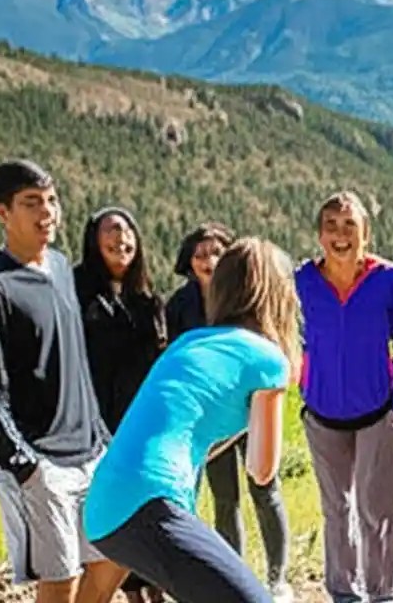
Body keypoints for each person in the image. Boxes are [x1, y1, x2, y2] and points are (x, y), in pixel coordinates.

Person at [84, 237, 301, 603]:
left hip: (104, 505)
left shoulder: (189, 342)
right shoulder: (268, 360)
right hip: (152, 503)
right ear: (278, 298)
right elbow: (261, 470)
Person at [0, 159, 123, 603]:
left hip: (90, 452)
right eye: (32, 202)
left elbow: (75, 363)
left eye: (51, 200)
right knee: (62, 579)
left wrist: (102, 437)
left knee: (115, 558)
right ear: (2, 213)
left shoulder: (61, 267)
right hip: (42, 462)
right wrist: (23, 463)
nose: (47, 212)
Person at [297, 191, 393, 603]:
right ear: (319, 234)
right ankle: (343, 593)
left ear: (366, 232)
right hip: (321, 413)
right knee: (336, 511)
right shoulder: (303, 281)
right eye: (331, 226)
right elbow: (287, 335)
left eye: (350, 226)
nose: (340, 235)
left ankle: (384, 593)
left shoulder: (389, 279)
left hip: (378, 412)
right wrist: (301, 384)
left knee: (377, 509)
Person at [165, 223, 293, 601]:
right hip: (212, 416)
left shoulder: (248, 300)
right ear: (188, 262)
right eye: (200, 253)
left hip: (255, 407)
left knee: (265, 488)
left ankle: (277, 576)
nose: (208, 259)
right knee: (225, 499)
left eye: (216, 251)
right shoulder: (178, 306)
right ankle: (233, 576)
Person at [73, 207, 170, 603]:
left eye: (128, 231)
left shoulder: (147, 301)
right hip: (95, 424)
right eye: (111, 232)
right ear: (94, 241)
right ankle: (129, 593)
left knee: (147, 507)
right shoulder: (76, 293)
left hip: (142, 424)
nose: (121, 240)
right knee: (112, 512)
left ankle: (154, 589)